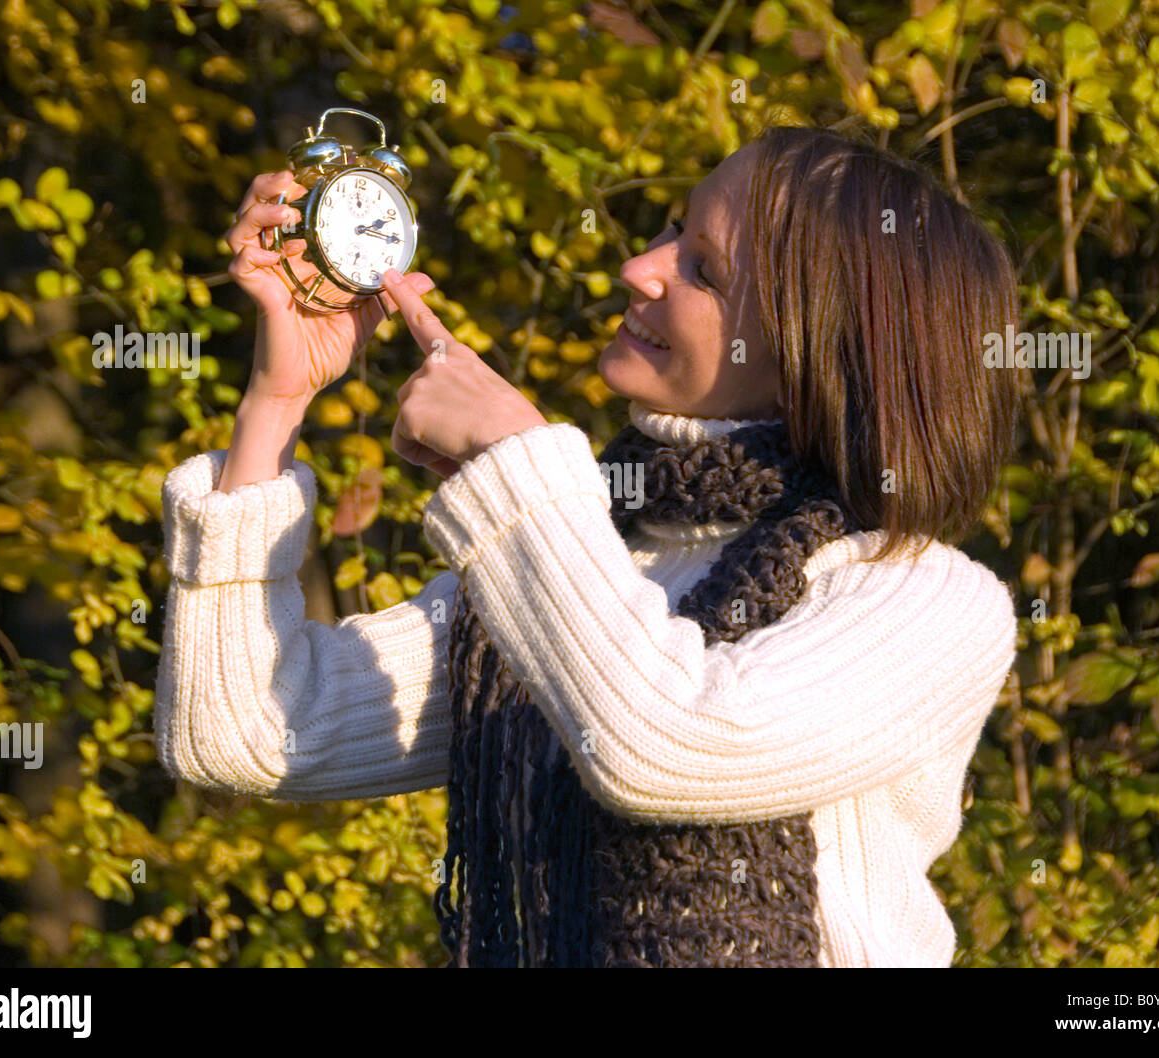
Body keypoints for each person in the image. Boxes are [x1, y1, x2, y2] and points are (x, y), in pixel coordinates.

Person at [155, 125, 1023, 967]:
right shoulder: (585, 562)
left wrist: (516, 461)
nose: (638, 268)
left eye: (704, 272)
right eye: (675, 226)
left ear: (819, 356)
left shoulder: (928, 599)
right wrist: (277, 402)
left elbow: (669, 744)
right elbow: (241, 731)